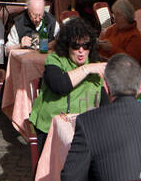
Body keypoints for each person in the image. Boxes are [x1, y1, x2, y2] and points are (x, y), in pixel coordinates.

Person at [29, 17, 106, 151]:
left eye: (86, 45)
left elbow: (105, 103)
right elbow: (59, 86)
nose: (81, 50)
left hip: (83, 132)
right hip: (51, 129)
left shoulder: (94, 66)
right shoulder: (55, 60)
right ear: (67, 45)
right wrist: (86, 69)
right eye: (76, 46)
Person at [98, 0, 141, 64]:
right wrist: (97, 44)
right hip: (102, 65)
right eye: (114, 14)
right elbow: (100, 51)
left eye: (118, 15)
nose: (115, 18)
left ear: (127, 16)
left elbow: (131, 63)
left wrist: (111, 49)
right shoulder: (112, 29)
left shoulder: (134, 37)